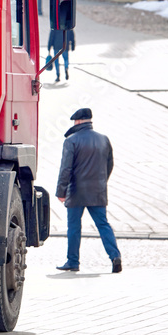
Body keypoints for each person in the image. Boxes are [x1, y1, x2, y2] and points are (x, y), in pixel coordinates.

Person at [54, 108, 121, 274]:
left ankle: (73, 261)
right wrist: (101, 182)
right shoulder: (104, 139)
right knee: (103, 224)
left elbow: (66, 169)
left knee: (74, 227)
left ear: (77, 122)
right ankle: (115, 256)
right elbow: (109, 165)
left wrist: (61, 191)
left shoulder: (71, 141)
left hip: (77, 191)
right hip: (98, 191)